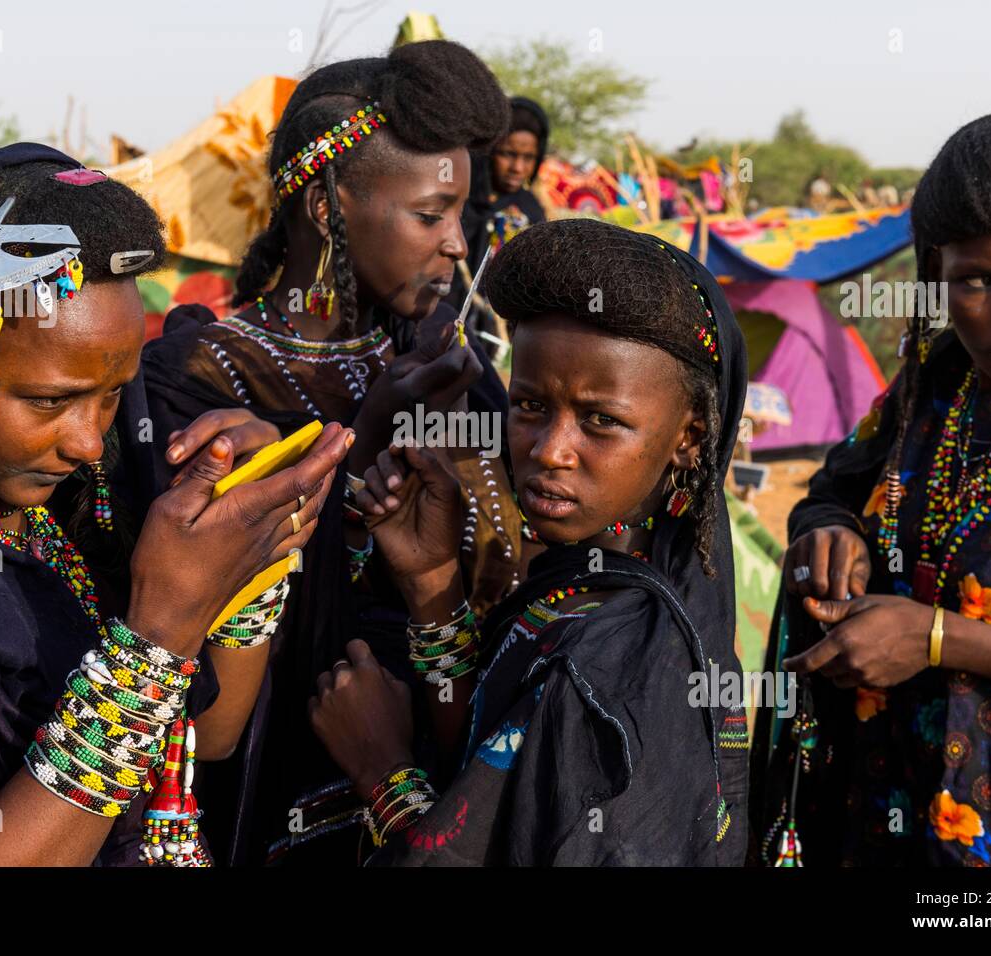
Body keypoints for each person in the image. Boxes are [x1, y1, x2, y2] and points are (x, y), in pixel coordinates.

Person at [0, 144, 351, 866]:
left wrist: (249, 557)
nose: (91, 443)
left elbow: (204, 736)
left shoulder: (73, 520)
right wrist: (153, 641)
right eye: (49, 400)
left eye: (114, 392)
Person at [142, 40, 527, 865]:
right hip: (255, 791)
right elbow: (191, 618)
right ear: (327, 210)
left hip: (435, 784)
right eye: (431, 216)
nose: (459, 245)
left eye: (462, 215)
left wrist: (475, 453)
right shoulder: (193, 378)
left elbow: (509, 583)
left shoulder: (448, 367)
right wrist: (364, 446)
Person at [310, 218, 750, 864]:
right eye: (529, 406)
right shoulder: (597, 581)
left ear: (688, 437)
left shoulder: (615, 665)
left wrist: (384, 773)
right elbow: (499, 760)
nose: (550, 451)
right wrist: (433, 583)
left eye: (601, 420)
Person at [751, 111, 991, 867]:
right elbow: (833, 486)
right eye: (977, 281)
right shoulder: (935, 386)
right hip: (881, 815)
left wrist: (936, 638)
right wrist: (830, 527)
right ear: (936, 274)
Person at [449, 96, 550, 337]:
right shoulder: (459, 197)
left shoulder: (530, 209)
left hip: (500, 332)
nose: (517, 167)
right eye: (508, 154)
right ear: (489, 151)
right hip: (445, 319)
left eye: (528, 158)